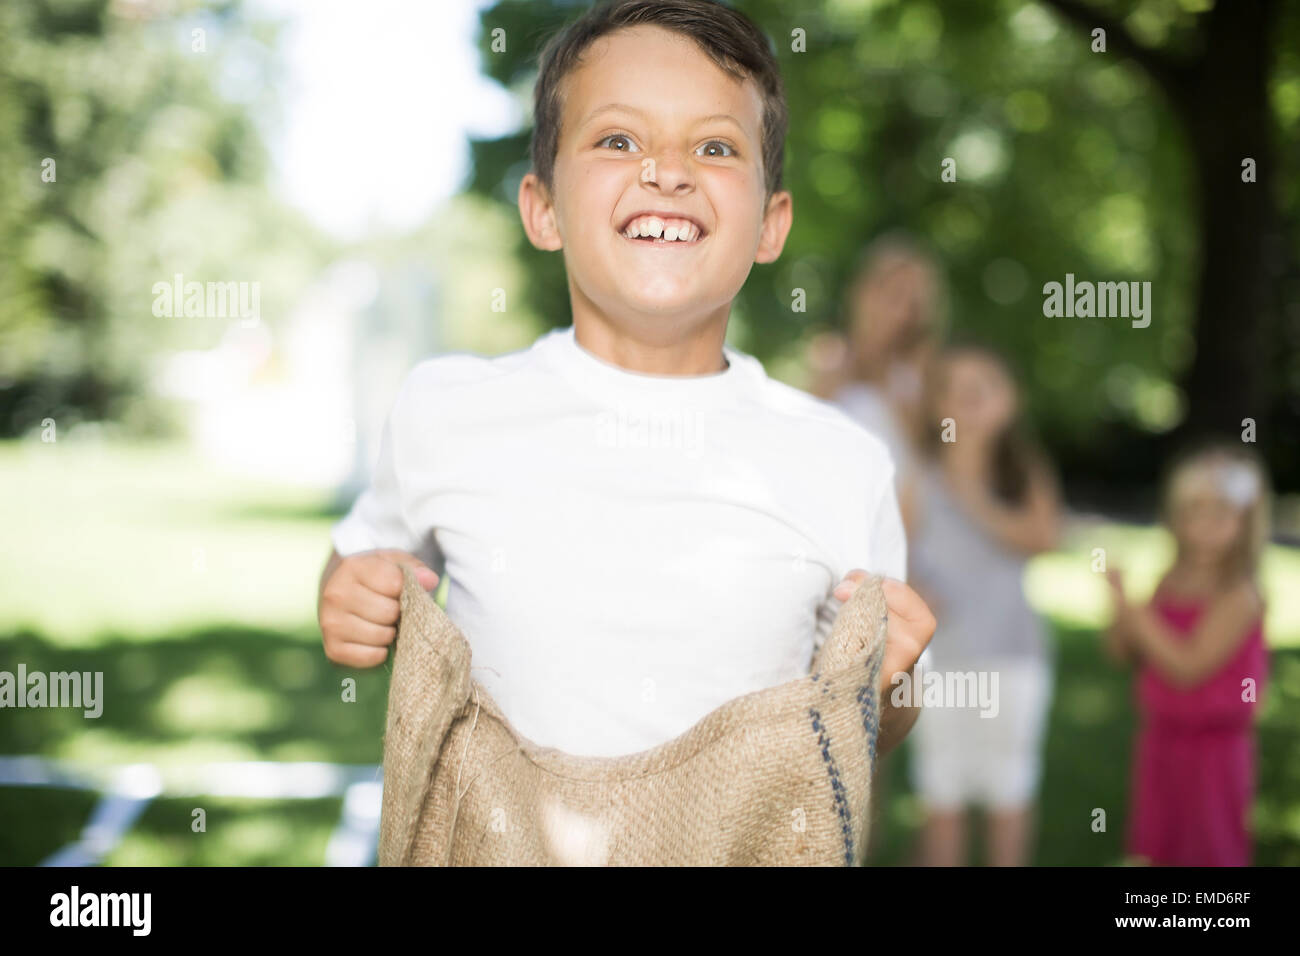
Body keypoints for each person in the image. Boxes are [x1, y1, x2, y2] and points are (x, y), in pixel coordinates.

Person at [316, 0, 936, 767]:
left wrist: (888, 685)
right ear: (543, 210)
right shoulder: (445, 411)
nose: (667, 171)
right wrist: (348, 597)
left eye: (714, 146)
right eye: (618, 139)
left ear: (770, 226)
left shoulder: (844, 461)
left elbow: (880, 719)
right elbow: (359, 556)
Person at [907, 344, 1062, 866]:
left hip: (1012, 657)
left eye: (985, 386)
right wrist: (914, 588)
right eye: (956, 387)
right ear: (935, 405)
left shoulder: (1023, 473)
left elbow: (1042, 537)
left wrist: (971, 493)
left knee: (1008, 791)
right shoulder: (917, 480)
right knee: (941, 793)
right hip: (941, 661)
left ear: (1010, 401)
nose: (970, 397)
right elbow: (896, 556)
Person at [1104, 444, 1271, 866]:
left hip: (1214, 753)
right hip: (1162, 740)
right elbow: (1123, 652)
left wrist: (1132, 607)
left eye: (1219, 514)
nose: (1204, 524)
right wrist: (1119, 608)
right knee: (1164, 848)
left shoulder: (1240, 596)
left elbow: (1186, 666)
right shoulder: (1169, 581)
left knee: (1211, 847)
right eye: (1193, 511)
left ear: (1246, 521)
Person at [808, 233, 945, 534]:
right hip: (840, 501)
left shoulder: (922, 363)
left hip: (904, 509)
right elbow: (808, 433)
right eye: (892, 293)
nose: (901, 309)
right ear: (865, 291)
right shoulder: (831, 356)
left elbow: (930, 447)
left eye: (912, 300)